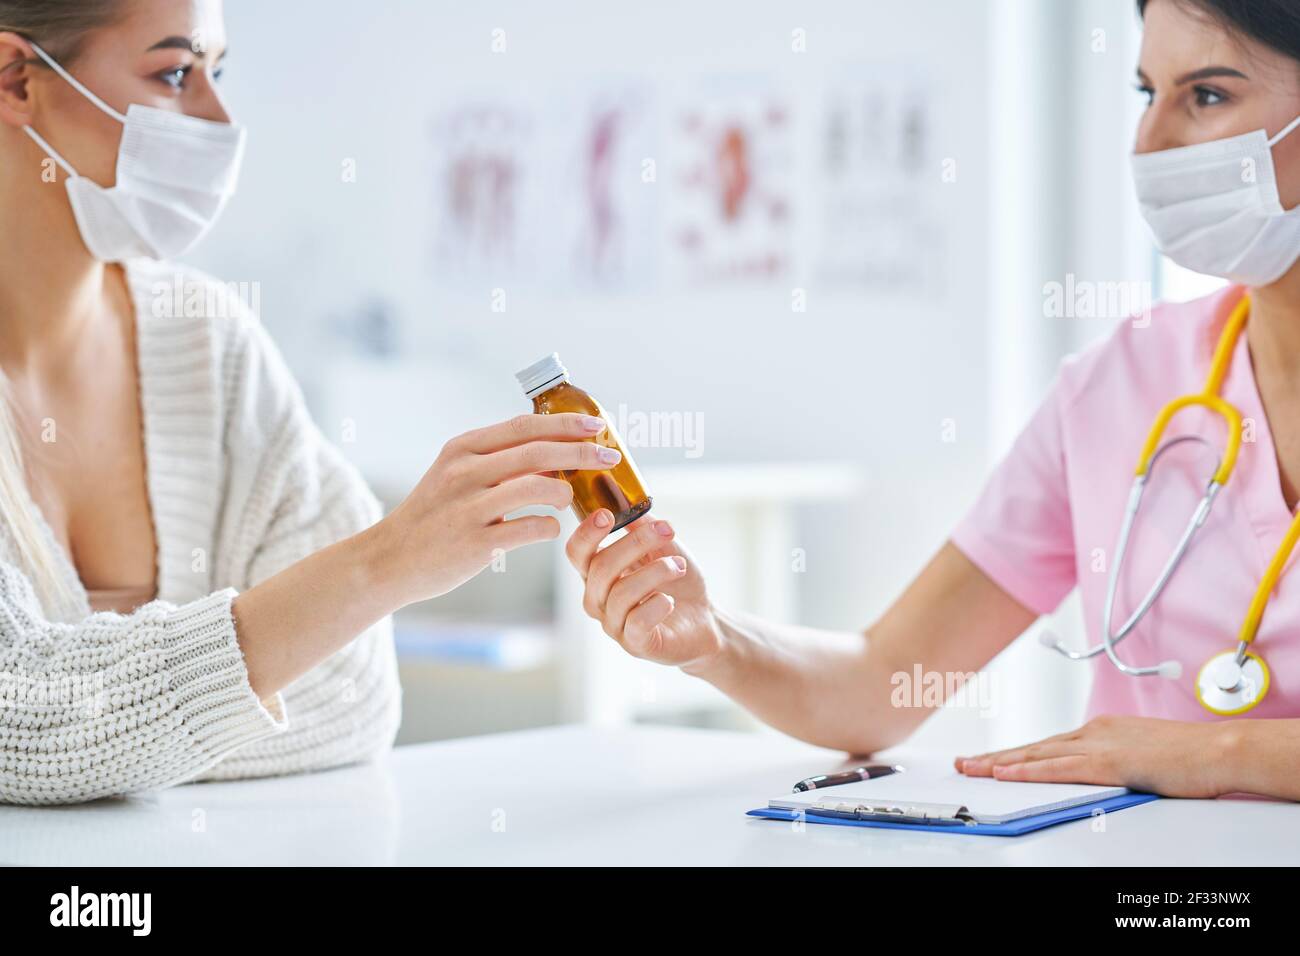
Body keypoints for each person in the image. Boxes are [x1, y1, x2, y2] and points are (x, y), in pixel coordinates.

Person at [568, 0, 1300, 801]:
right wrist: (714, 641)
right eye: (1145, 93)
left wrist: (1215, 754)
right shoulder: (1116, 388)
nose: (1148, 143)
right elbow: (882, 683)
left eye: (1206, 95)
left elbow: (1195, 755)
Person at [0, 0, 618, 805]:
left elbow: (355, 695)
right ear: (16, 79)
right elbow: (17, 725)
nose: (221, 120)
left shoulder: (207, 340)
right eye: (175, 74)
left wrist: (108, 739)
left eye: (218, 74)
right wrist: (381, 564)